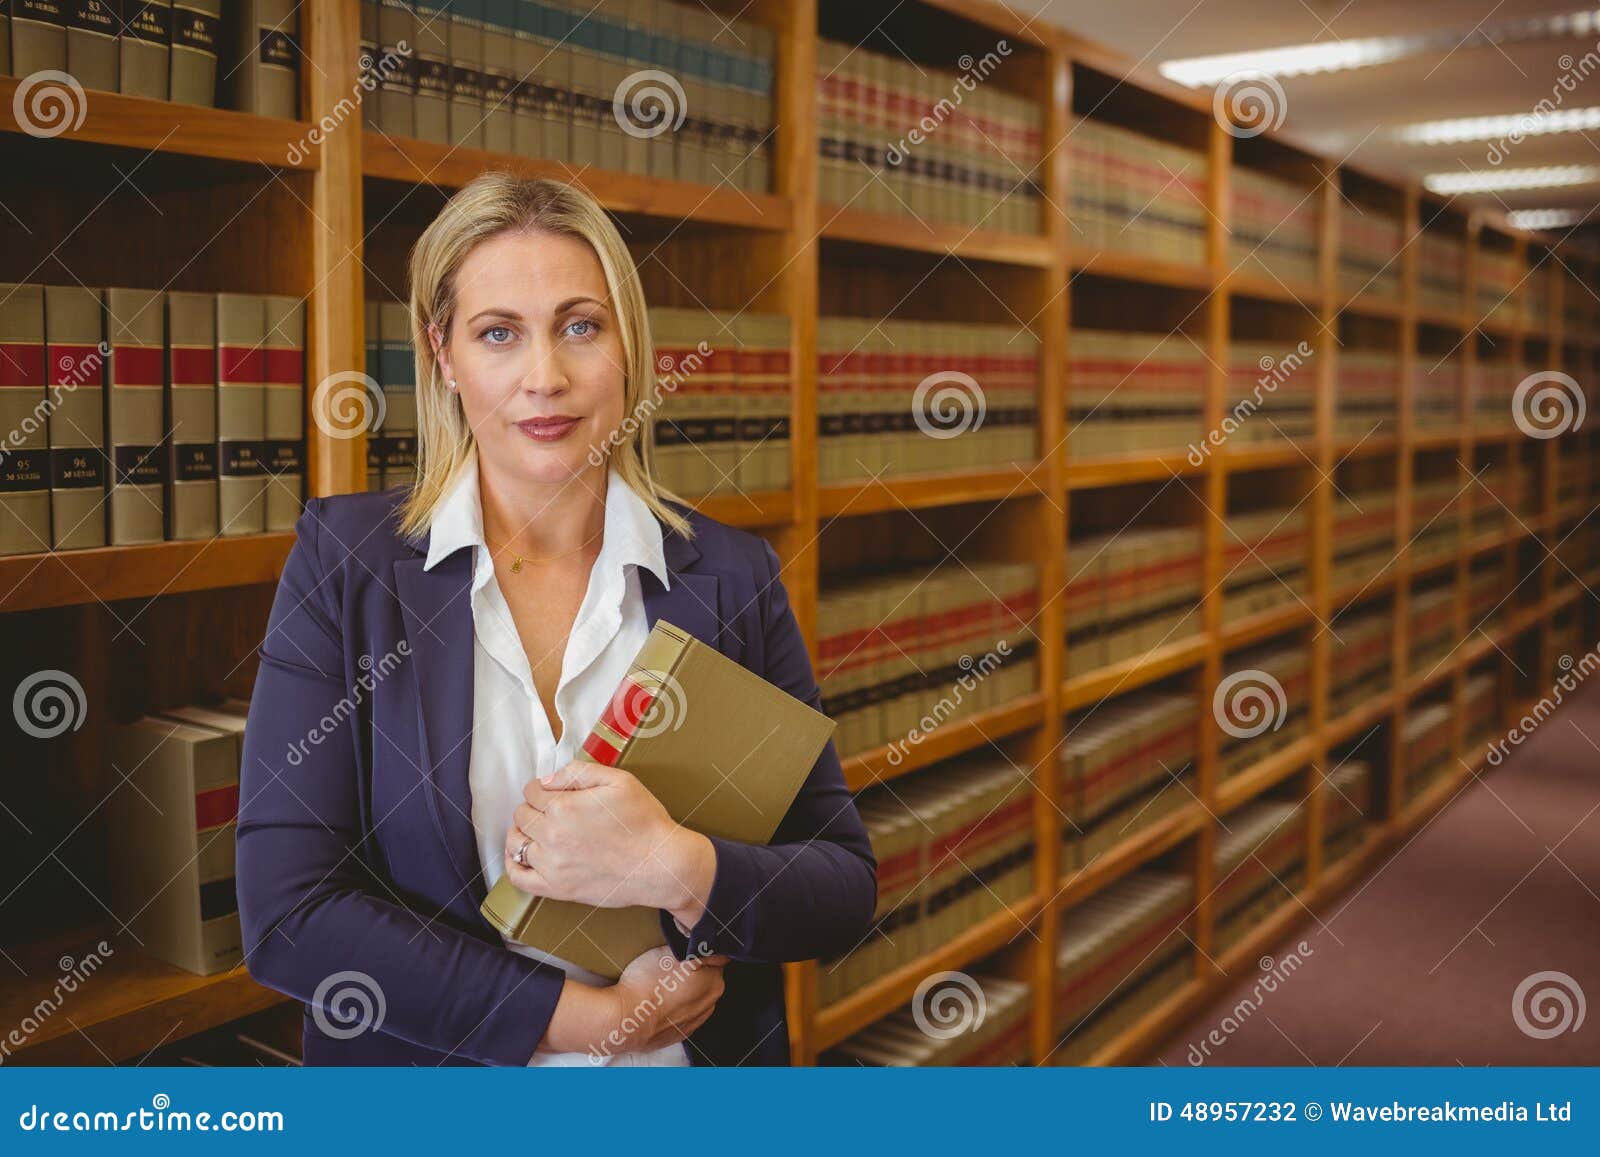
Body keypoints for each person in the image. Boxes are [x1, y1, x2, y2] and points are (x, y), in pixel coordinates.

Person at [236, 173, 877, 1066]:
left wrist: (677, 865)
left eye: (581, 326)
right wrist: (587, 1018)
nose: (547, 377)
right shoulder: (346, 566)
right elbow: (288, 913)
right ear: (444, 356)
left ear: (629, 350)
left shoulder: (732, 575)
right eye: (499, 333)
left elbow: (844, 886)